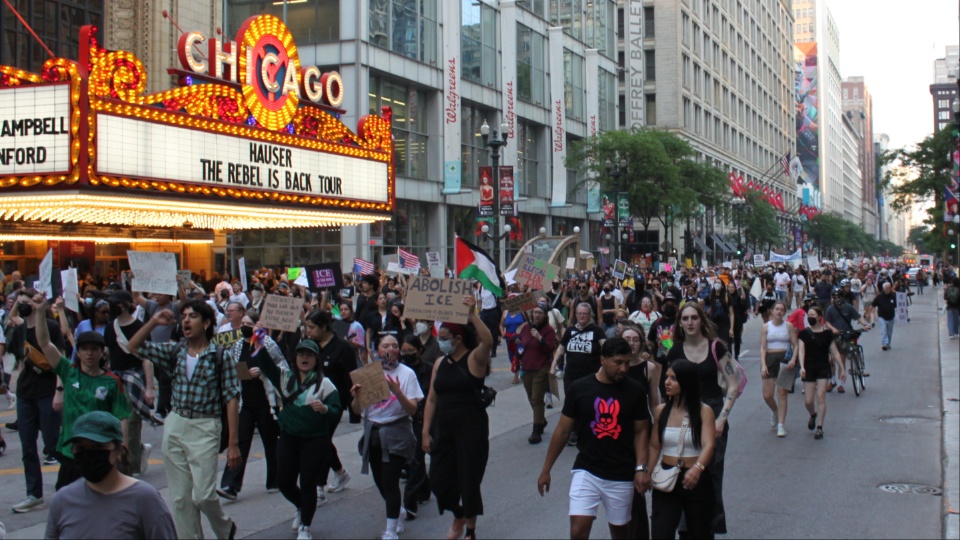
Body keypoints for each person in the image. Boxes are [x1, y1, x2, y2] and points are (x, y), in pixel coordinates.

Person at [127, 299, 241, 540]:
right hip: (176, 423)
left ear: (206, 323)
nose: (186, 321)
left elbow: (232, 398)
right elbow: (134, 346)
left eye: (193, 316)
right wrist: (153, 321)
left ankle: (224, 528)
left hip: (206, 426)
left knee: (203, 496)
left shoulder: (220, 356)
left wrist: (233, 443)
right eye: (184, 316)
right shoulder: (175, 351)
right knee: (181, 499)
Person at [537, 337, 652, 540]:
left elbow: (641, 431)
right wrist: (546, 470)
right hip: (587, 469)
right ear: (603, 360)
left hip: (622, 473)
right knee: (578, 530)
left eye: (627, 363)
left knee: (620, 532)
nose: (624, 369)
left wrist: (641, 468)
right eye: (618, 362)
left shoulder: (635, 390)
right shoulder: (580, 388)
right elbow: (563, 430)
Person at [665, 302, 742, 535]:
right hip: (684, 416)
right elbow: (667, 387)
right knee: (683, 471)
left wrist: (722, 418)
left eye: (694, 318)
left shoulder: (716, 348)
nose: (689, 322)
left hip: (714, 414)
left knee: (711, 474)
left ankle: (708, 527)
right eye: (685, 318)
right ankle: (685, 527)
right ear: (680, 323)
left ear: (701, 321)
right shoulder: (675, 351)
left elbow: (733, 384)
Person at [422, 295, 492, 540]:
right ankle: (458, 513)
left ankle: (470, 531)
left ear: (458, 338)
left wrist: (471, 313)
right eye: (439, 339)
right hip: (444, 428)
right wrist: (425, 431)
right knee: (438, 479)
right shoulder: (440, 363)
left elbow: (488, 340)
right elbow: (432, 399)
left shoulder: (474, 359)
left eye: (444, 339)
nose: (440, 343)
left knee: (468, 480)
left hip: (471, 428)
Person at [256, 339, 341, 540]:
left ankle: (305, 527)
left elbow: (336, 411)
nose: (305, 358)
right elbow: (264, 362)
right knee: (284, 482)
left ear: (316, 359)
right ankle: (301, 507)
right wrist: (258, 338)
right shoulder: (284, 377)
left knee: (308, 483)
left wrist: (325, 409)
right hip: (289, 438)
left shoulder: (325, 384)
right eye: (301, 354)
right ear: (295, 358)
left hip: (315, 440)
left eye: (309, 355)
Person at [44, 412, 177, 539]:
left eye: (97, 447)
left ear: (119, 451)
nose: (88, 455)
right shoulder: (62, 501)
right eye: (80, 448)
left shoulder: (145, 499)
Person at [351, 334, 423, 540]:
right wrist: (356, 397)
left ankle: (390, 530)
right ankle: (398, 511)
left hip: (396, 433)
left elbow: (412, 410)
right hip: (373, 432)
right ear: (377, 350)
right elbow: (357, 410)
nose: (390, 350)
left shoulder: (407, 374)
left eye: (394, 346)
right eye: (385, 346)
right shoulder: (369, 373)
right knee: (380, 480)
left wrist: (397, 392)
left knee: (390, 481)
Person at [217, 313, 286, 501]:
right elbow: (232, 369)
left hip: (267, 403)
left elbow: (282, 368)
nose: (245, 327)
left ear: (257, 325)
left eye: (249, 323)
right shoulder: (237, 346)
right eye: (243, 323)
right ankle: (231, 485)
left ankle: (275, 480)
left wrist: (263, 372)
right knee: (240, 442)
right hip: (245, 403)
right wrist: (243, 373)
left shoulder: (268, 344)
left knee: (271, 442)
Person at [7, 290, 64, 513]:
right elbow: (21, 361)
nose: (21, 306)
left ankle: (69, 484)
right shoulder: (19, 330)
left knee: (52, 443)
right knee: (28, 447)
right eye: (19, 302)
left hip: (47, 392)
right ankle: (34, 494)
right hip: (25, 394)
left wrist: (59, 390)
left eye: (25, 302)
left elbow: (60, 359)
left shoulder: (51, 327)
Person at [647, 360, 717, 540]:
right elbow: (654, 445)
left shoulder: (704, 411)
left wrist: (698, 468)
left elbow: (709, 445)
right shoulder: (661, 411)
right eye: (666, 377)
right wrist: (646, 472)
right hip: (667, 477)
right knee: (661, 533)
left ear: (686, 381)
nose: (667, 382)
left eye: (674, 378)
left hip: (695, 478)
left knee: (699, 532)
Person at [103, 290, 158, 474]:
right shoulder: (110, 328)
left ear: (126, 305)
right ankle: (133, 452)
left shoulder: (139, 327)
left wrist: (149, 388)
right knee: (116, 421)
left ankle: (131, 465)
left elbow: (147, 359)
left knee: (132, 421)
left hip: (134, 378)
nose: (112, 306)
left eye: (116, 303)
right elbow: (107, 353)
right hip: (115, 378)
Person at [552, 302, 605, 446]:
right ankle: (575, 431)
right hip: (571, 375)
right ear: (575, 315)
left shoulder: (596, 331)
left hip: (590, 376)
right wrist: (553, 366)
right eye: (579, 314)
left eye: (585, 314)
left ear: (590, 315)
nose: (582, 316)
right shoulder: (570, 330)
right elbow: (561, 349)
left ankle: (589, 429)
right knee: (572, 403)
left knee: (589, 404)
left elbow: (605, 347)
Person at [399, 335, 433, 520]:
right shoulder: (400, 371)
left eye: (410, 351)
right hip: (407, 422)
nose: (407, 354)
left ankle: (411, 501)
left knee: (420, 460)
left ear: (420, 351)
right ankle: (418, 496)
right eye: (404, 351)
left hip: (428, 420)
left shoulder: (429, 370)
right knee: (414, 460)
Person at [799, 306, 845, 440]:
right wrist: (802, 367)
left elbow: (835, 352)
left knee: (820, 397)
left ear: (819, 317)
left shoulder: (827, 334)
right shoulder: (804, 333)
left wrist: (842, 368)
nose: (810, 318)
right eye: (808, 315)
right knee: (808, 401)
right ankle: (813, 414)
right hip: (808, 367)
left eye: (812, 315)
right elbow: (801, 351)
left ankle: (819, 427)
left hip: (823, 367)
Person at [516, 303, 559, 444]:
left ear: (545, 315)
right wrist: (517, 342)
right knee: (531, 398)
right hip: (526, 368)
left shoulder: (548, 330)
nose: (536, 315)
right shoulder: (526, 328)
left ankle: (536, 430)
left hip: (541, 367)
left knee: (536, 398)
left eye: (540, 312)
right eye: (535, 312)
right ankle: (541, 420)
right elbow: (520, 340)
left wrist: (540, 338)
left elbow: (551, 348)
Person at [759, 302, 798, 437]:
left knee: (782, 394)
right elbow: (763, 347)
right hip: (769, 359)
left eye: (782, 310)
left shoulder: (788, 326)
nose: (779, 312)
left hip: (784, 359)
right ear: (772, 311)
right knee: (767, 395)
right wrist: (763, 364)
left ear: (784, 312)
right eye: (777, 309)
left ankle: (781, 426)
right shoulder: (766, 327)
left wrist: (793, 359)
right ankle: (775, 410)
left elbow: (795, 344)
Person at [824, 289, 871, 391]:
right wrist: (833, 329)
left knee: (841, 359)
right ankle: (832, 381)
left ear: (842, 297)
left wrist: (865, 324)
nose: (836, 299)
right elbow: (827, 322)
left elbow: (858, 317)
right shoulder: (830, 309)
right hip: (834, 336)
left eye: (838, 297)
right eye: (834, 297)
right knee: (832, 360)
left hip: (846, 336)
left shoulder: (848, 307)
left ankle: (840, 384)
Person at [500, 302, 526, 385]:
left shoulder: (522, 311)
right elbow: (501, 325)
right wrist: (502, 333)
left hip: (520, 337)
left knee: (520, 354)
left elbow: (528, 322)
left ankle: (518, 374)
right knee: (511, 356)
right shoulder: (505, 312)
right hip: (509, 338)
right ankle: (517, 371)